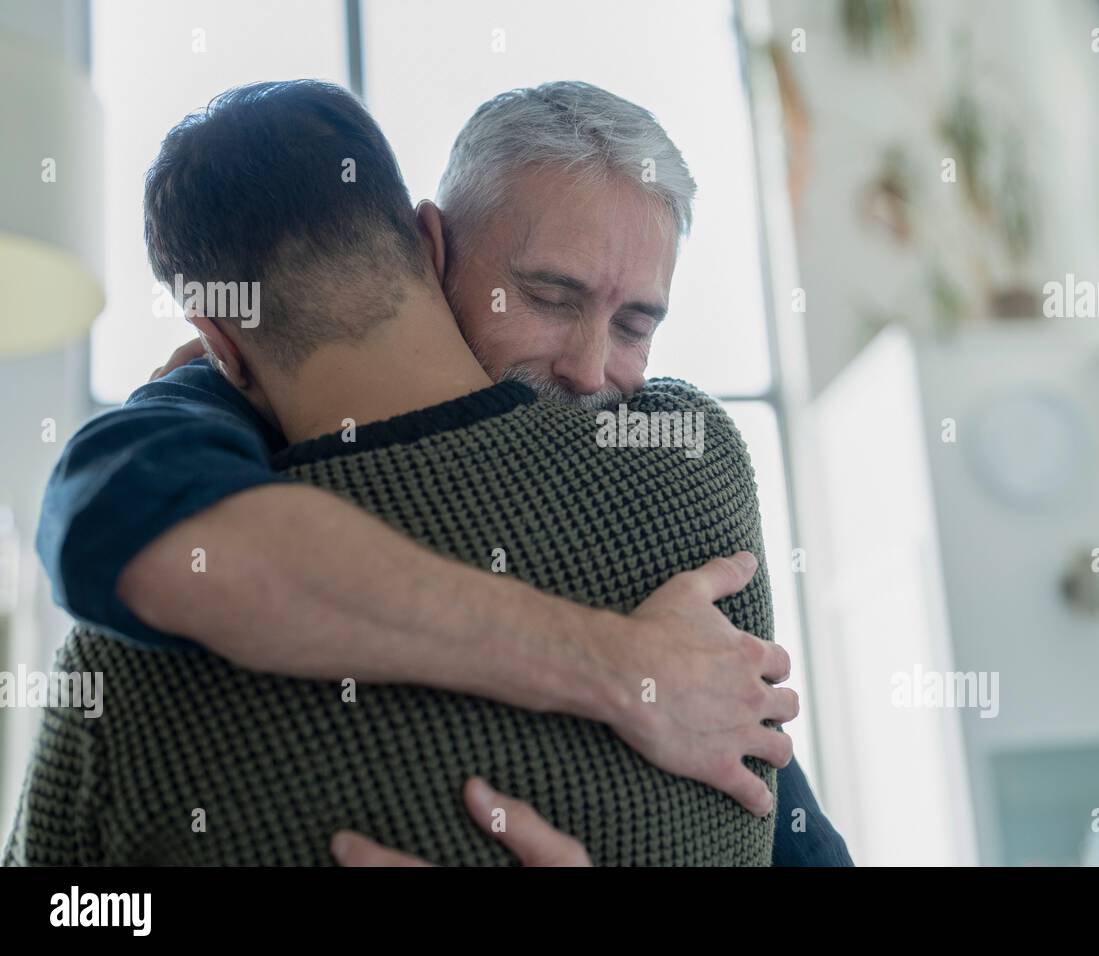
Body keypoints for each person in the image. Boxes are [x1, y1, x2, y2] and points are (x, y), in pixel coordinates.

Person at [35, 80, 852, 865]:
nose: (589, 368)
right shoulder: (684, 459)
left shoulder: (669, 487)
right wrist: (620, 666)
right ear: (434, 253)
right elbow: (120, 512)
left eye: (636, 323)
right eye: (549, 298)